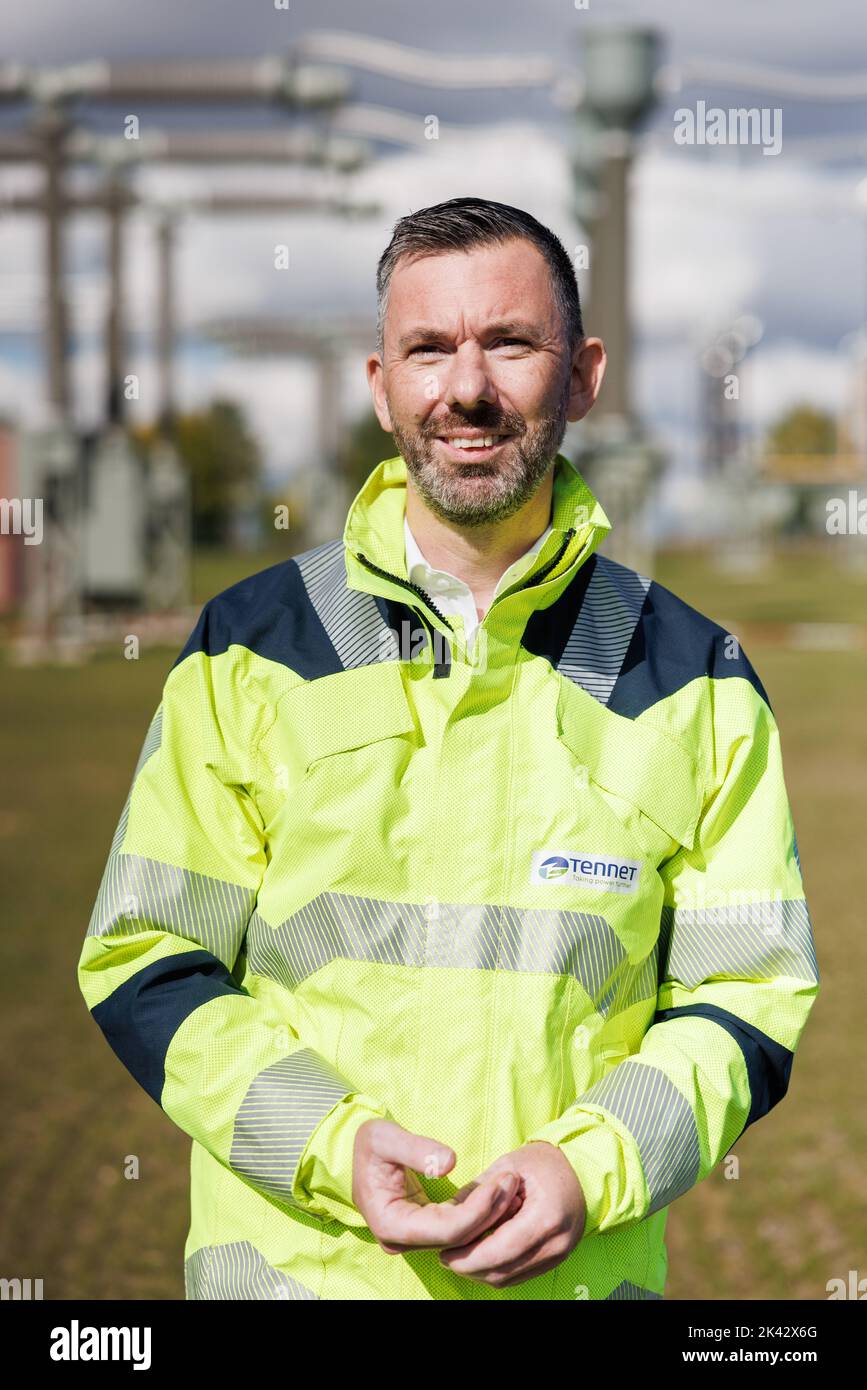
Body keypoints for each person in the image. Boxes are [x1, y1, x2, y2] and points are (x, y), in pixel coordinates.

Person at [77, 196, 820, 1300]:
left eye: (510, 342)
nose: (466, 388)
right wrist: (331, 1145)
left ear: (582, 375)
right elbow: (147, 958)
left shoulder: (695, 678)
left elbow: (746, 999)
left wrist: (587, 1168)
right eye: (429, 348)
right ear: (383, 387)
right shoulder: (249, 650)